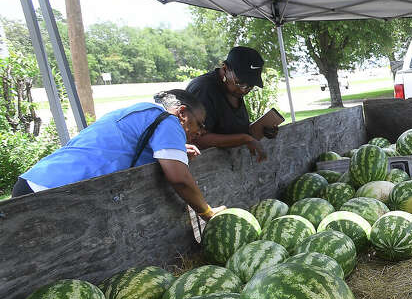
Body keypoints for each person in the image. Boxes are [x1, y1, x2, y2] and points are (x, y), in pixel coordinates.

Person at [12, 89, 225, 220]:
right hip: (49, 193)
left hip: (34, 182)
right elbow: (180, 179)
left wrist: (175, 151)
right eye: (199, 124)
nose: (199, 132)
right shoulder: (169, 121)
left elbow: (126, 146)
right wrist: (206, 212)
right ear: (182, 113)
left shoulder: (144, 112)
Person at [186, 46, 273, 161]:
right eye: (240, 83)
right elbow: (197, 138)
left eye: (250, 85)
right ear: (225, 68)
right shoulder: (204, 89)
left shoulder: (234, 89)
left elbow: (229, 127)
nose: (244, 90)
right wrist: (245, 139)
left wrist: (259, 130)